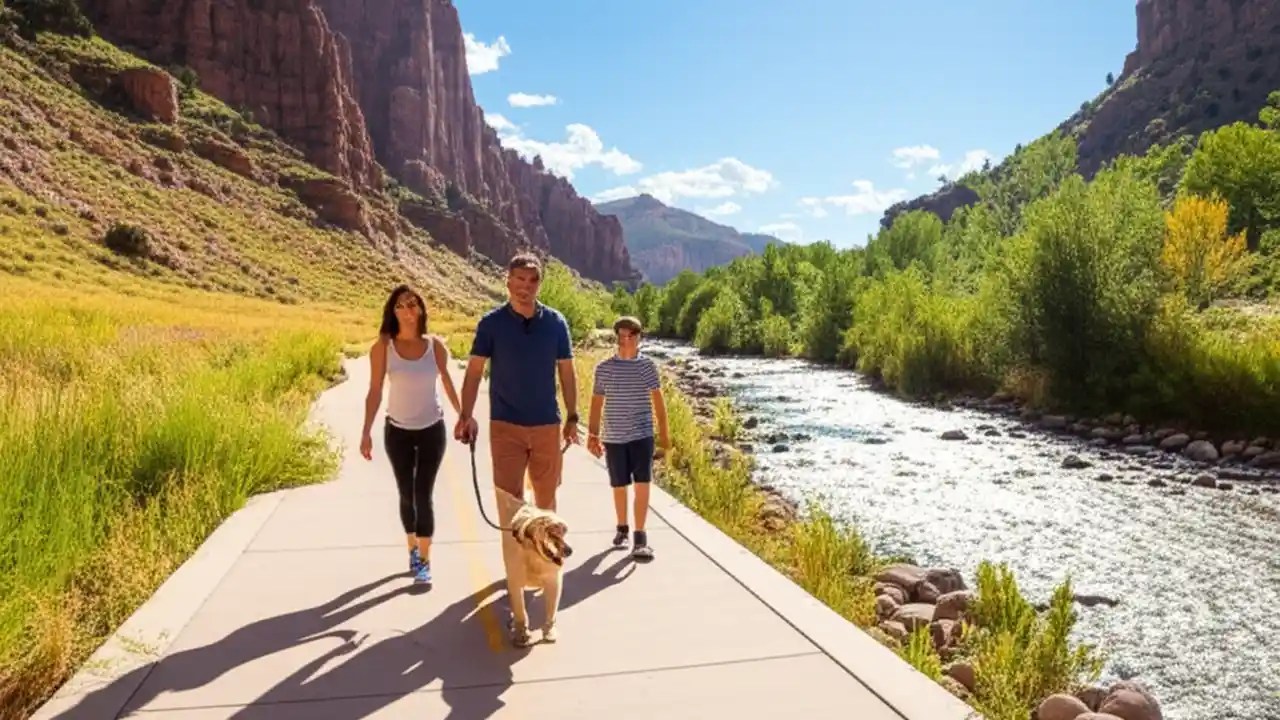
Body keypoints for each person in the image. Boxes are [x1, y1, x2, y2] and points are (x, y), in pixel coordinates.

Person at [454, 253, 580, 518]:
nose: (526, 286)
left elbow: (567, 372)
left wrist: (572, 415)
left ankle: (545, 559)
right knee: (510, 503)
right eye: (520, 279)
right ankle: (516, 560)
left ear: (539, 284)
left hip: (546, 424)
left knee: (546, 504)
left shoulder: (556, 323)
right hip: (505, 426)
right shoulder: (491, 324)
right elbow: (475, 371)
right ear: (508, 282)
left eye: (533, 280)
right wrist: (465, 415)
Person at [360, 284, 462, 585]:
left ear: (421, 309)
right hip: (398, 431)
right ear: (393, 311)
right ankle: (413, 550)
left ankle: (425, 561)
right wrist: (366, 431)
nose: (407, 311)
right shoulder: (382, 348)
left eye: (413, 304)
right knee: (406, 492)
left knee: (423, 493)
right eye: (401, 305)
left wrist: (463, 416)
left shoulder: (435, 345)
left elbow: (447, 382)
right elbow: (375, 390)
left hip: (432, 429)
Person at [586, 315, 670, 561]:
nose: (626, 340)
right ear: (616, 338)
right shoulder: (604, 369)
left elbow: (658, 402)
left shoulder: (647, 367)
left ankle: (640, 537)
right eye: (621, 336)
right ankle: (622, 527)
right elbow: (596, 404)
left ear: (639, 338)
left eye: (631, 336)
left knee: (643, 482)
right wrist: (592, 435)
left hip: (642, 434)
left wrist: (664, 436)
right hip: (614, 435)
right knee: (619, 484)